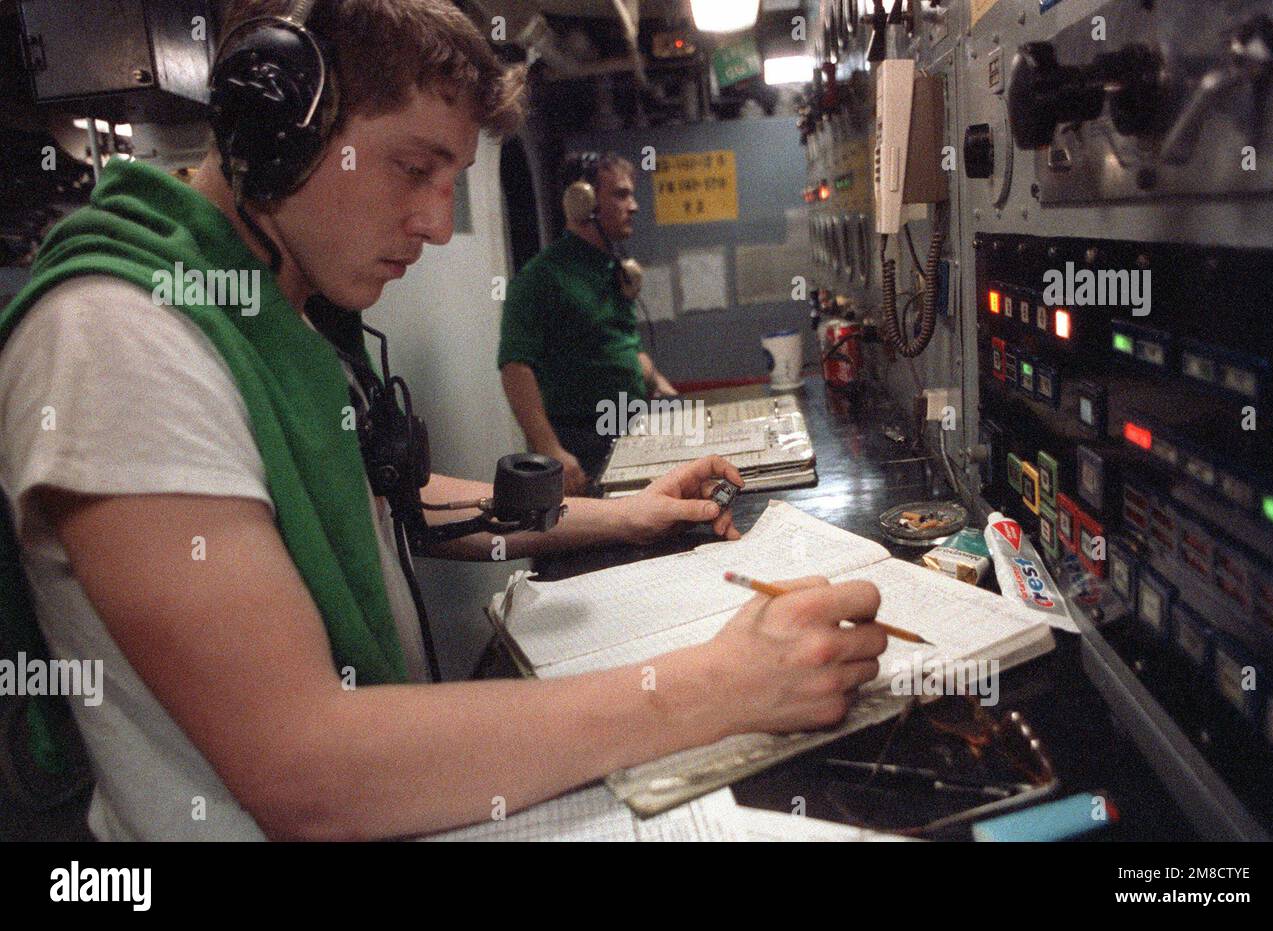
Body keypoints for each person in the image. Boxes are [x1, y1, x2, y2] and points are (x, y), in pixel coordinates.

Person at [0, 0, 885, 841]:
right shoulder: (116, 337)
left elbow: (390, 496)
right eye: (412, 168)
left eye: (452, 180)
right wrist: (718, 686)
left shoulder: (281, 317)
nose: (431, 222)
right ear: (278, 129)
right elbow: (305, 766)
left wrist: (630, 511)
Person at [498, 152, 677, 495]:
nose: (635, 206)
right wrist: (552, 451)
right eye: (622, 194)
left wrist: (666, 393)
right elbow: (515, 369)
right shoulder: (542, 277)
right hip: (582, 442)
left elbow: (627, 348)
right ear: (583, 201)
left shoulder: (614, 271)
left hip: (631, 428)